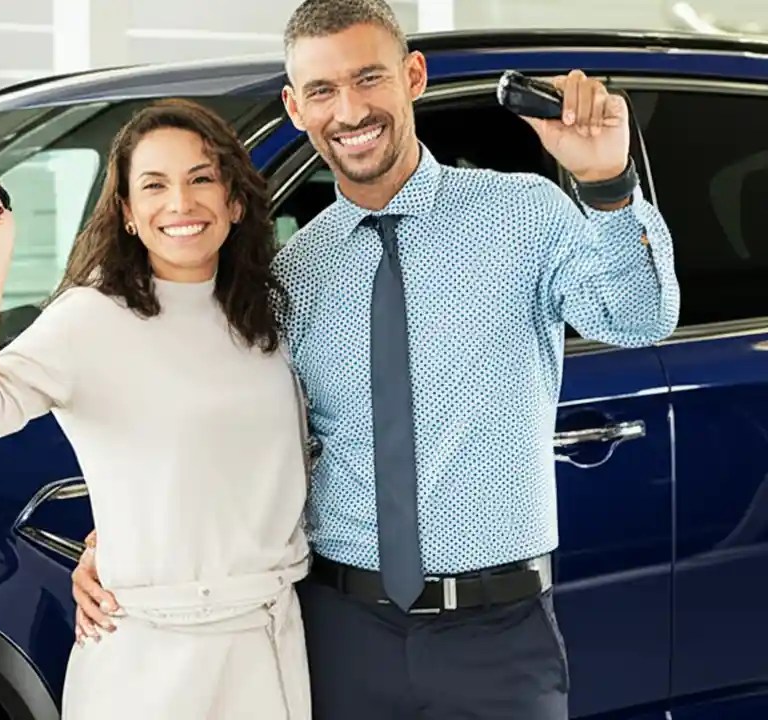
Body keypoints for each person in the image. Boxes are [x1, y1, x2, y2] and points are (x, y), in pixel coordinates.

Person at [71, 0, 681, 717]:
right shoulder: (294, 273)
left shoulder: (523, 213)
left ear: (412, 76)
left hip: (498, 633)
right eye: (324, 91)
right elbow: (244, 440)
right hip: (340, 632)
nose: (350, 109)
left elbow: (640, 318)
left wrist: (608, 186)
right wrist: (125, 540)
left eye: (368, 78)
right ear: (297, 109)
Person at [0, 98, 314, 718]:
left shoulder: (270, 315)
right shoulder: (92, 318)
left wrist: (110, 534)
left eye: (201, 179)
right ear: (129, 214)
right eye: (155, 186)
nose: (181, 204)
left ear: (235, 201)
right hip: (148, 656)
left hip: (266, 641)